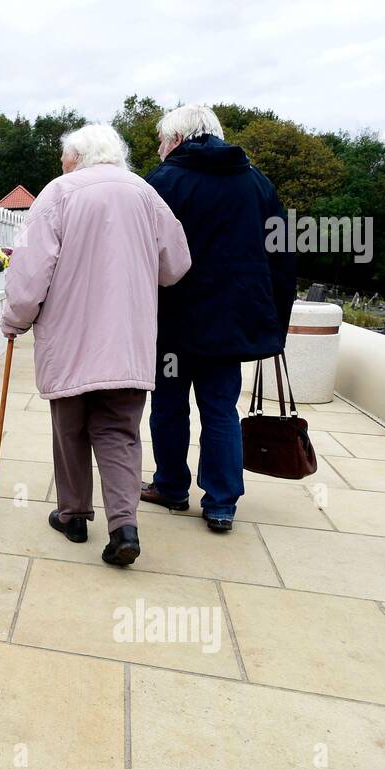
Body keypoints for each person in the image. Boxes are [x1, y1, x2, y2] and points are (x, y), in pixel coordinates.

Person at [0, 124, 191, 566]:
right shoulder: (146, 194)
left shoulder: (58, 194)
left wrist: (14, 321)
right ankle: (124, 526)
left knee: (69, 430)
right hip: (127, 340)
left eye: (65, 159)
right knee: (121, 432)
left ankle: (73, 515)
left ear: (77, 158)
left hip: (70, 340)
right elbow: (177, 264)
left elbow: (29, 276)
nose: (62, 167)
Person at [142, 105, 296, 532]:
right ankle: (222, 502)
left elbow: (141, 254)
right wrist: (273, 323)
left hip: (173, 321)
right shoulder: (257, 183)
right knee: (221, 408)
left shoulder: (164, 182)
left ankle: (171, 486)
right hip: (231, 323)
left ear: (176, 139)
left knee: (170, 405)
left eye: (161, 141)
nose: (159, 149)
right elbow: (281, 257)